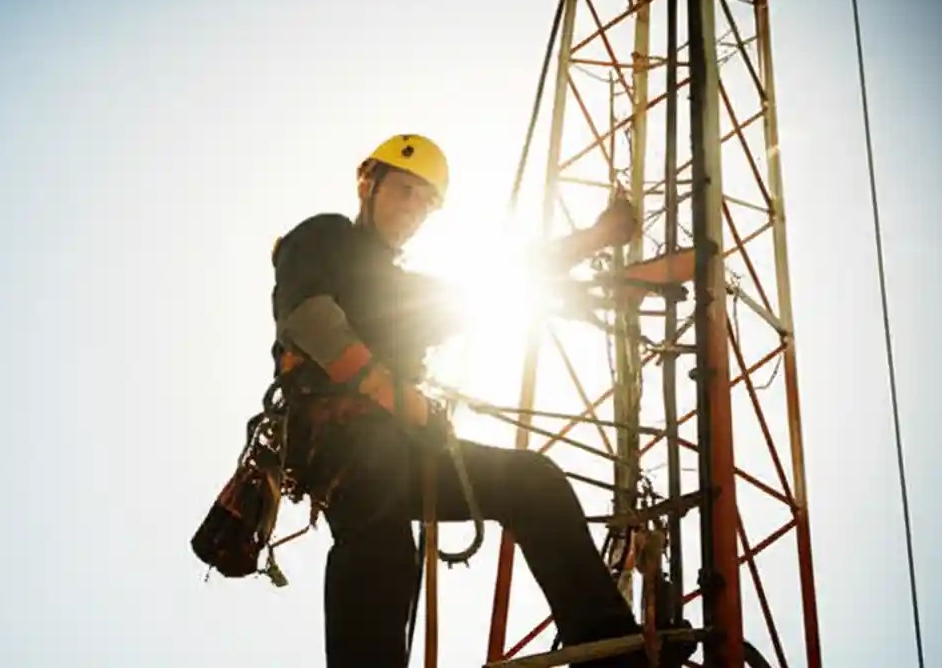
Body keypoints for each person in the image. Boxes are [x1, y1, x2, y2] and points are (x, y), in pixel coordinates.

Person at [269, 133, 689, 668]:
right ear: (367, 184)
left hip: (398, 446)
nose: (415, 209)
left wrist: (593, 241)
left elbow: (495, 285)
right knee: (381, 551)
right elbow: (310, 320)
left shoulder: (400, 289)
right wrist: (394, 394)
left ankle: (614, 654)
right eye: (405, 191)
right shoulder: (326, 238)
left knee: (532, 483)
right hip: (349, 446)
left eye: (427, 201)